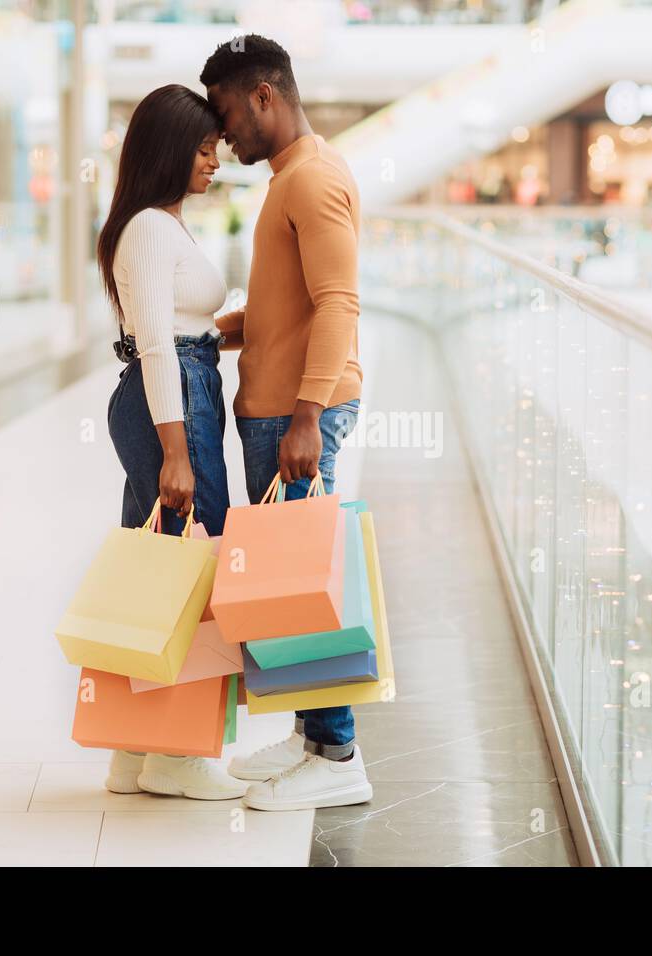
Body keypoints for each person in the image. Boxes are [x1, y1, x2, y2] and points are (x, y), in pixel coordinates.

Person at [202, 34, 372, 811]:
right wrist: (234, 329)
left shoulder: (311, 180)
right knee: (288, 582)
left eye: (229, 112)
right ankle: (312, 737)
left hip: (297, 419)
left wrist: (306, 417)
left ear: (265, 97)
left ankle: (338, 754)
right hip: (278, 413)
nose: (224, 130)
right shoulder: (291, 176)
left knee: (306, 582)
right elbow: (300, 303)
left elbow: (340, 303)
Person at [96, 84, 244, 801]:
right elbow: (157, 343)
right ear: (168, 150)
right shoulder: (152, 227)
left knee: (155, 569)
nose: (215, 160)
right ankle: (177, 758)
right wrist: (178, 455)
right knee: (192, 565)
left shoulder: (161, 223)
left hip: (179, 388)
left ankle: (133, 746)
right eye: (205, 148)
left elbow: (181, 331)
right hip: (172, 401)